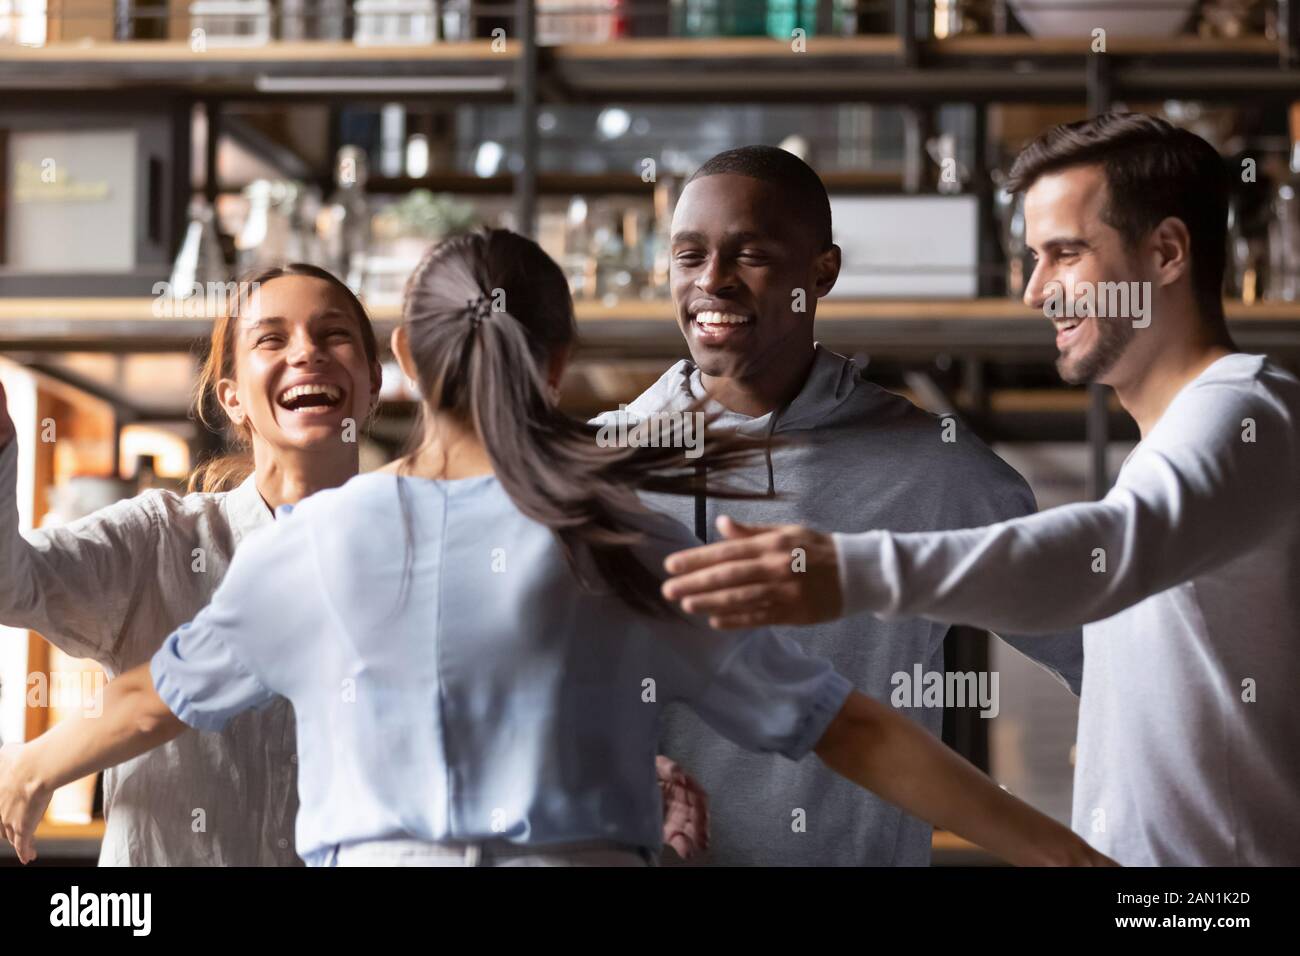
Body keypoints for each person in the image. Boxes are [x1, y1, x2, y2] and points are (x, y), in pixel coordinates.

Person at [0, 229, 1111, 868]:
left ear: (397, 357)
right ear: (559, 359)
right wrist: (1073, 860)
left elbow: (157, 696)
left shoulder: (315, 544)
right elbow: (847, 725)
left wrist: (34, 765)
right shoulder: (615, 537)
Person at [659, 114, 1300, 866]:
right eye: (1032, 258)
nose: (1034, 292)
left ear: (1165, 254)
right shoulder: (1178, 443)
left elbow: (1106, 549)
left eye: (1065, 254)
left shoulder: (1238, 413)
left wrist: (851, 570)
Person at [593, 145, 1085, 866]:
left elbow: (1107, 659)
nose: (712, 282)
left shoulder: (937, 471)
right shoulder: (599, 464)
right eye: (689, 255)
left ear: (822, 271)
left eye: (750, 255)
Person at [0, 263, 381, 865]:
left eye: (334, 335)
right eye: (272, 338)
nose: (308, 352)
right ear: (233, 399)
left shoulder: (411, 561)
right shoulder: (157, 542)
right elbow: (10, 586)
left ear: (372, 383)